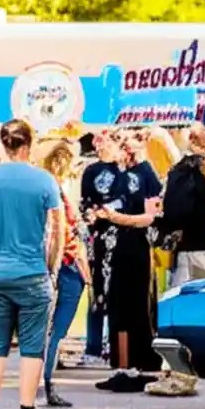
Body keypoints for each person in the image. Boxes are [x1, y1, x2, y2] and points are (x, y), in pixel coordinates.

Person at [0, 120, 61, 409]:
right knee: (32, 347)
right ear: (29, 143)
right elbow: (56, 232)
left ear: (4, 144)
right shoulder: (44, 181)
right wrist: (51, 267)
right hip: (31, 272)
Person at [95, 134, 163, 393]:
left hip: (137, 248)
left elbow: (150, 217)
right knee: (117, 309)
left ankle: (142, 366)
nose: (124, 151)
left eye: (128, 146)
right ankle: (121, 367)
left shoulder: (147, 175)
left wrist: (118, 218)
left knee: (136, 308)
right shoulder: (119, 175)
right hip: (115, 250)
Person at [36, 139, 90, 408]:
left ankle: (41, 379)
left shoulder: (47, 188)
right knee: (57, 329)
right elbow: (58, 233)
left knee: (46, 329)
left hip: (58, 263)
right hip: (65, 263)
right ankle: (47, 382)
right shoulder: (57, 191)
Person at [158, 128, 205, 287]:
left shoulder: (185, 169)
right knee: (203, 291)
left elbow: (176, 207)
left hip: (186, 245)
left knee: (183, 292)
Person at [77, 129, 121, 369]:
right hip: (97, 240)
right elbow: (84, 202)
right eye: (100, 140)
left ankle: (114, 345)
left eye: (108, 140)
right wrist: (89, 215)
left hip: (120, 237)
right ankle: (93, 345)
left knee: (116, 295)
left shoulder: (124, 171)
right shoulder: (91, 171)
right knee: (96, 294)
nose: (103, 145)